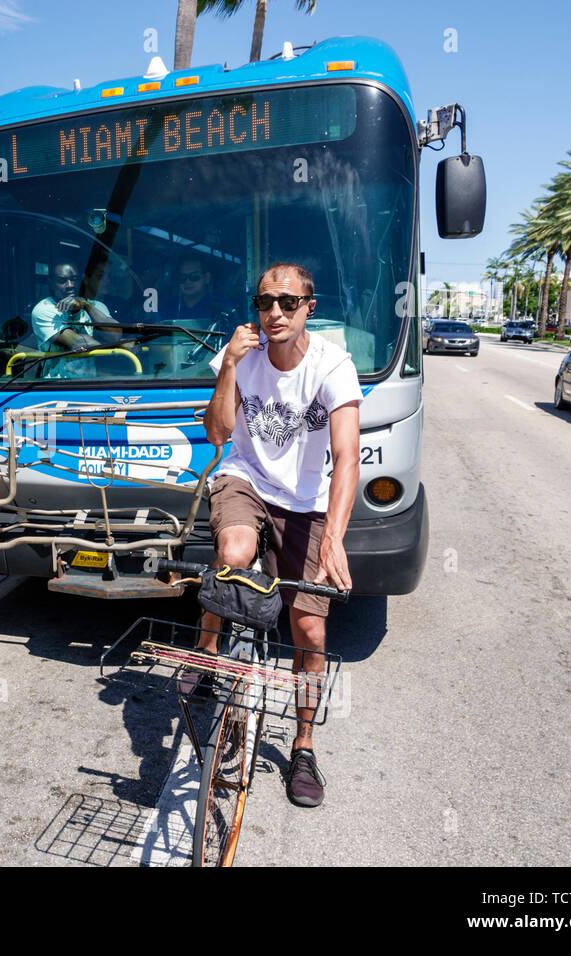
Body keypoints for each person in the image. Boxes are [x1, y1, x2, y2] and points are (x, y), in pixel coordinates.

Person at [200, 261, 361, 809]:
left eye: (287, 303)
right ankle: (208, 653)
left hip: (308, 504)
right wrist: (228, 365)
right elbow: (219, 433)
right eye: (265, 302)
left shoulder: (332, 365)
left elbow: (346, 458)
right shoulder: (243, 361)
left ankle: (304, 743)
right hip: (248, 478)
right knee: (235, 553)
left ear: (308, 307)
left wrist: (334, 536)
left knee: (310, 632)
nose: (274, 313)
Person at [29, 258, 119, 377]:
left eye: (74, 279)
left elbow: (115, 335)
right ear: (50, 282)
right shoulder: (44, 309)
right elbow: (79, 343)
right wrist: (119, 346)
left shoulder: (95, 305)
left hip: (91, 385)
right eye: (62, 280)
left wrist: (86, 306)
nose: (70, 285)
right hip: (55, 387)